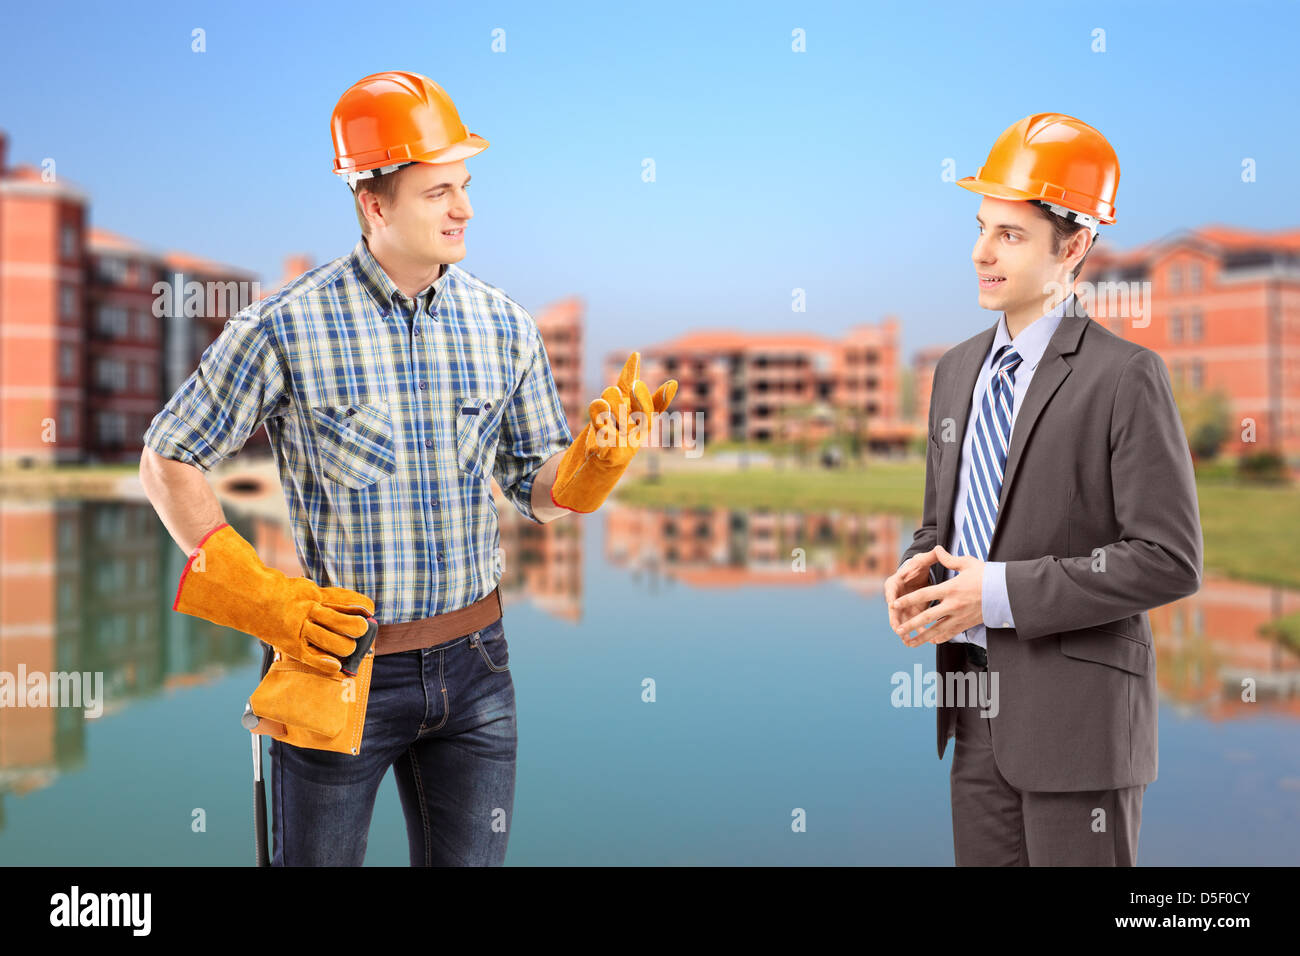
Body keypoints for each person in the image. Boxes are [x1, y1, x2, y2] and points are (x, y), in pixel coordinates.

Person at [139, 71, 676, 866]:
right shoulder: (284, 326)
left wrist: (591, 467)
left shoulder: (504, 327)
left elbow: (536, 485)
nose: (464, 209)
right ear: (375, 203)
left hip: (478, 670)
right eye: (437, 192)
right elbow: (169, 456)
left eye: (464, 186)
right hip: (337, 670)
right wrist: (257, 595)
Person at [883, 113, 1202, 865]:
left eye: (1011, 235)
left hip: (1080, 730)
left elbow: (1166, 559)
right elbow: (944, 525)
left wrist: (994, 595)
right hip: (973, 717)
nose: (980, 255)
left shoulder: (1126, 377)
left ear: (1076, 246)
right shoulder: (955, 371)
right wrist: (920, 568)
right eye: (981, 228)